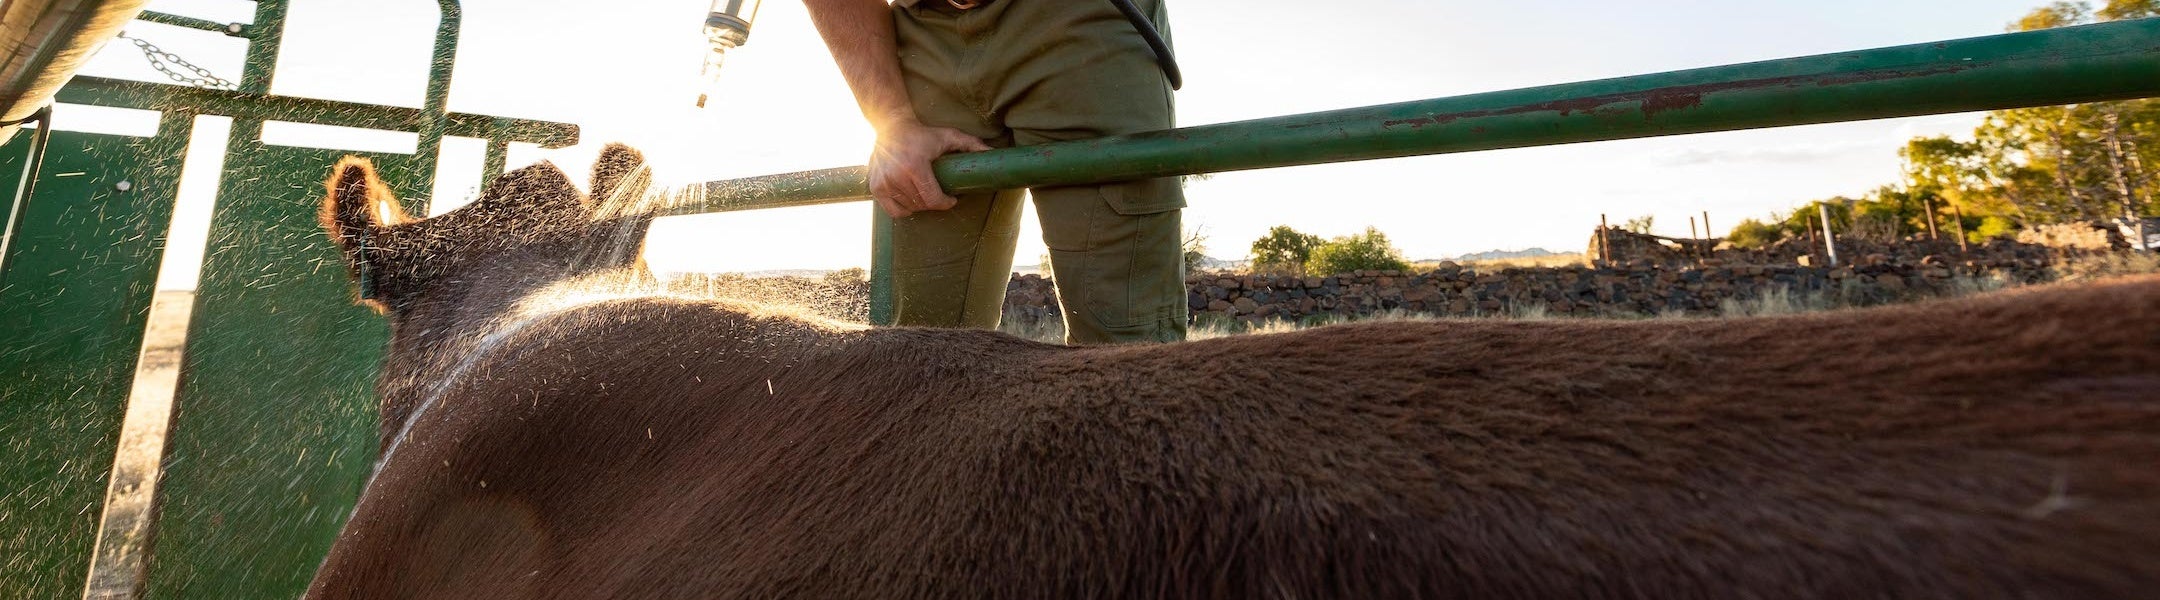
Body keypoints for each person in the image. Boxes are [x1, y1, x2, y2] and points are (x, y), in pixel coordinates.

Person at [803, 0, 1187, 345]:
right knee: (917, 350)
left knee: (1125, 348)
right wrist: (892, 119)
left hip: (1078, 20)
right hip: (920, 30)